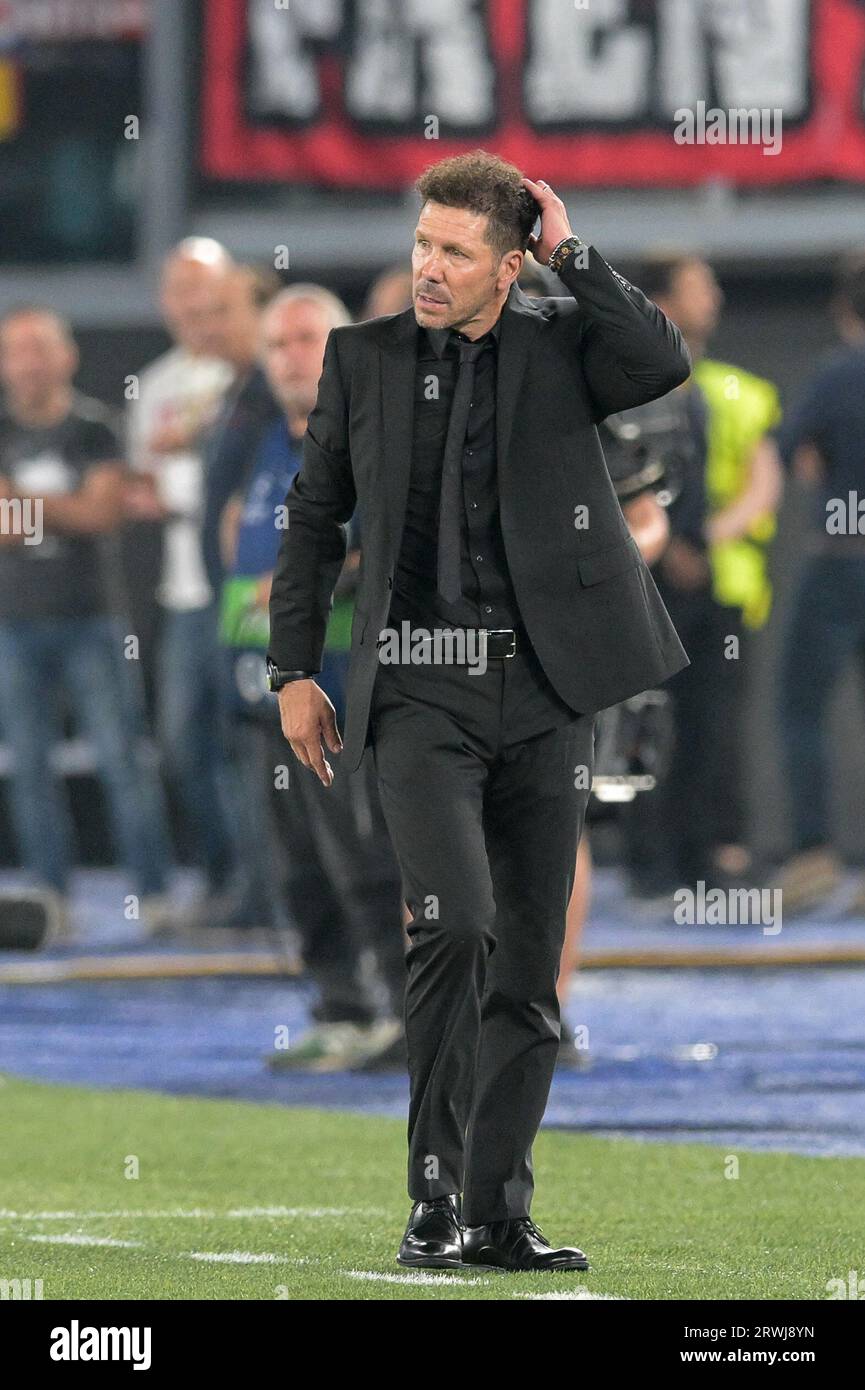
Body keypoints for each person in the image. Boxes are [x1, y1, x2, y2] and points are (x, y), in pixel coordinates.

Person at [267, 151, 690, 1273]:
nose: (429, 267)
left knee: (529, 967)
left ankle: (500, 1212)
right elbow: (312, 522)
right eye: (421, 244)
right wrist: (291, 672)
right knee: (453, 922)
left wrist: (572, 250)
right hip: (415, 684)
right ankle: (434, 1194)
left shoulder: (563, 342)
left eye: (456, 250)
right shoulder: (361, 360)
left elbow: (660, 358)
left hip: (547, 688)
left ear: (509, 265)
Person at [220, 285, 407, 1065]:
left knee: (365, 859)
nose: (289, 358)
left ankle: (407, 1014)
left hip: (342, 693)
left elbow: (398, 556)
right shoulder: (263, 444)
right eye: (276, 345)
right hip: (262, 697)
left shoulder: (372, 441)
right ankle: (341, 1006)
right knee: (297, 866)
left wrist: (306, 589)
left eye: (306, 340)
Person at [0, 305, 173, 932]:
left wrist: (24, 504)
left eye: (41, 348)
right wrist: (68, 505)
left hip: (93, 620)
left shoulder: (96, 427)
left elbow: (102, 517)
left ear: (67, 356)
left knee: (122, 760)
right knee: (29, 766)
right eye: (18, 350)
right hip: (14, 623)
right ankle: (49, 903)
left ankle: (154, 898)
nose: (30, 362)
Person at [649, 256, 782, 887]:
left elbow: (765, 483)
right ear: (665, 301)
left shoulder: (737, 391)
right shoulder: (623, 386)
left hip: (720, 588)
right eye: (702, 287)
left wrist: (706, 538)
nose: (717, 299)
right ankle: (652, 862)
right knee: (647, 719)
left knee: (718, 724)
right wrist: (666, 543)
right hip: (647, 587)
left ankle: (718, 857)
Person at [126, 238, 241, 914]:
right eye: (181, 293)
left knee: (252, 744)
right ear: (167, 303)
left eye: (207, 292)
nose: (194, 307)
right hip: (184, 590)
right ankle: (226, 875)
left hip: (243, 586)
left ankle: (263, 890)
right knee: (180, 747)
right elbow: (142, 479)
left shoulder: (247, 375)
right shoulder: (157, 382)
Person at [774, 252, 865, 913]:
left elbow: (792, 453)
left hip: (839, 560)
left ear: (842, 309)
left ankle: (813, 856)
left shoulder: (835, 374)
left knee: (799, 707)